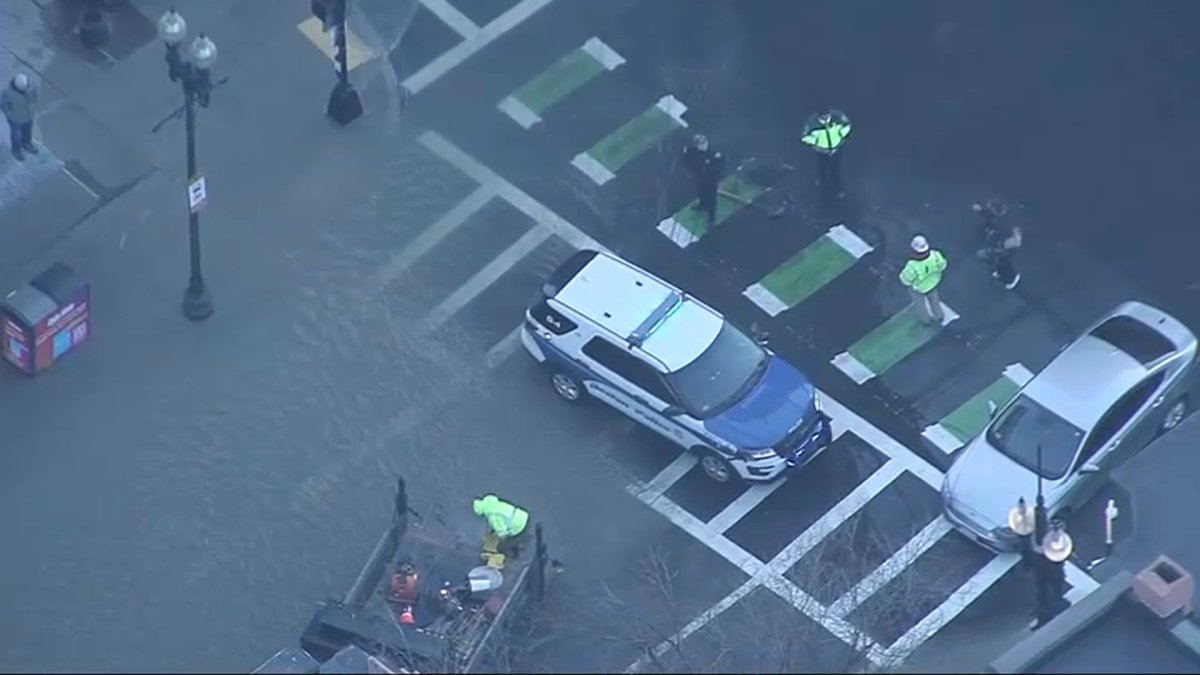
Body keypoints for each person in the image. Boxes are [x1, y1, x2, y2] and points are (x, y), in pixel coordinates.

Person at [801, 109, 852, 200]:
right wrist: (815, 141)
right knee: (822, 167)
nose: (825, 119)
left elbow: (847, 126)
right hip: (822, 150)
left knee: (835, 170)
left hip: (836, 149)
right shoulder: (812, 123)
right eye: (822, 118)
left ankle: (839, 189)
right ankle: (822, 181)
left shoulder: (838, 119)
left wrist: (841, 135)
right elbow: (805, 137)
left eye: (827, 117)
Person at [899, 235, 948, 326]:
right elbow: (943, 265)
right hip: (933, 283)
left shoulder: (912, 265)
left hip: (919, 289)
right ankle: (939, 316)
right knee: (935, 301)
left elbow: (905, 280)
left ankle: (925, 320)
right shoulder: (936, 255)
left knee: (920, 305)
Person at [973, 200, 1022, 290]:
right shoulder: (997, 217)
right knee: (985, 256)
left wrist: (1002, 245)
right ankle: (1000, 271)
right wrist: (981, 210)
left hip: (1005, 247)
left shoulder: (1009, 222)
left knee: (993, 259)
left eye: (991, 209)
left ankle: (1008, 277)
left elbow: (1017, 239)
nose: (989, 209)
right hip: (1000, 243)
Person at [682, 134, 724, 229]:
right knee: (701, 193)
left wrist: (711, 170)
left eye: (704, 143)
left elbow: (720, 165)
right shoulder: (692, 151)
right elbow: (687, 158)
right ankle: (702, 206)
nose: (704, 145)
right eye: (701, 144)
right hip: (700, 178)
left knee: (712, 198)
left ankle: (711, 218)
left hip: (711, 180)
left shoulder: (714, 153)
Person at [1, 73, 38, 161]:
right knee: (16, 136)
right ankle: (16, 150)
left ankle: (27, 144)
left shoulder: (31, 87)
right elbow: (3, 105)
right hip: (15, 119)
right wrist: (10, 115)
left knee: (27, 132)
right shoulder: (7, 93)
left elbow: (34, 98)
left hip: (28, 116)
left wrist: (32, 108)